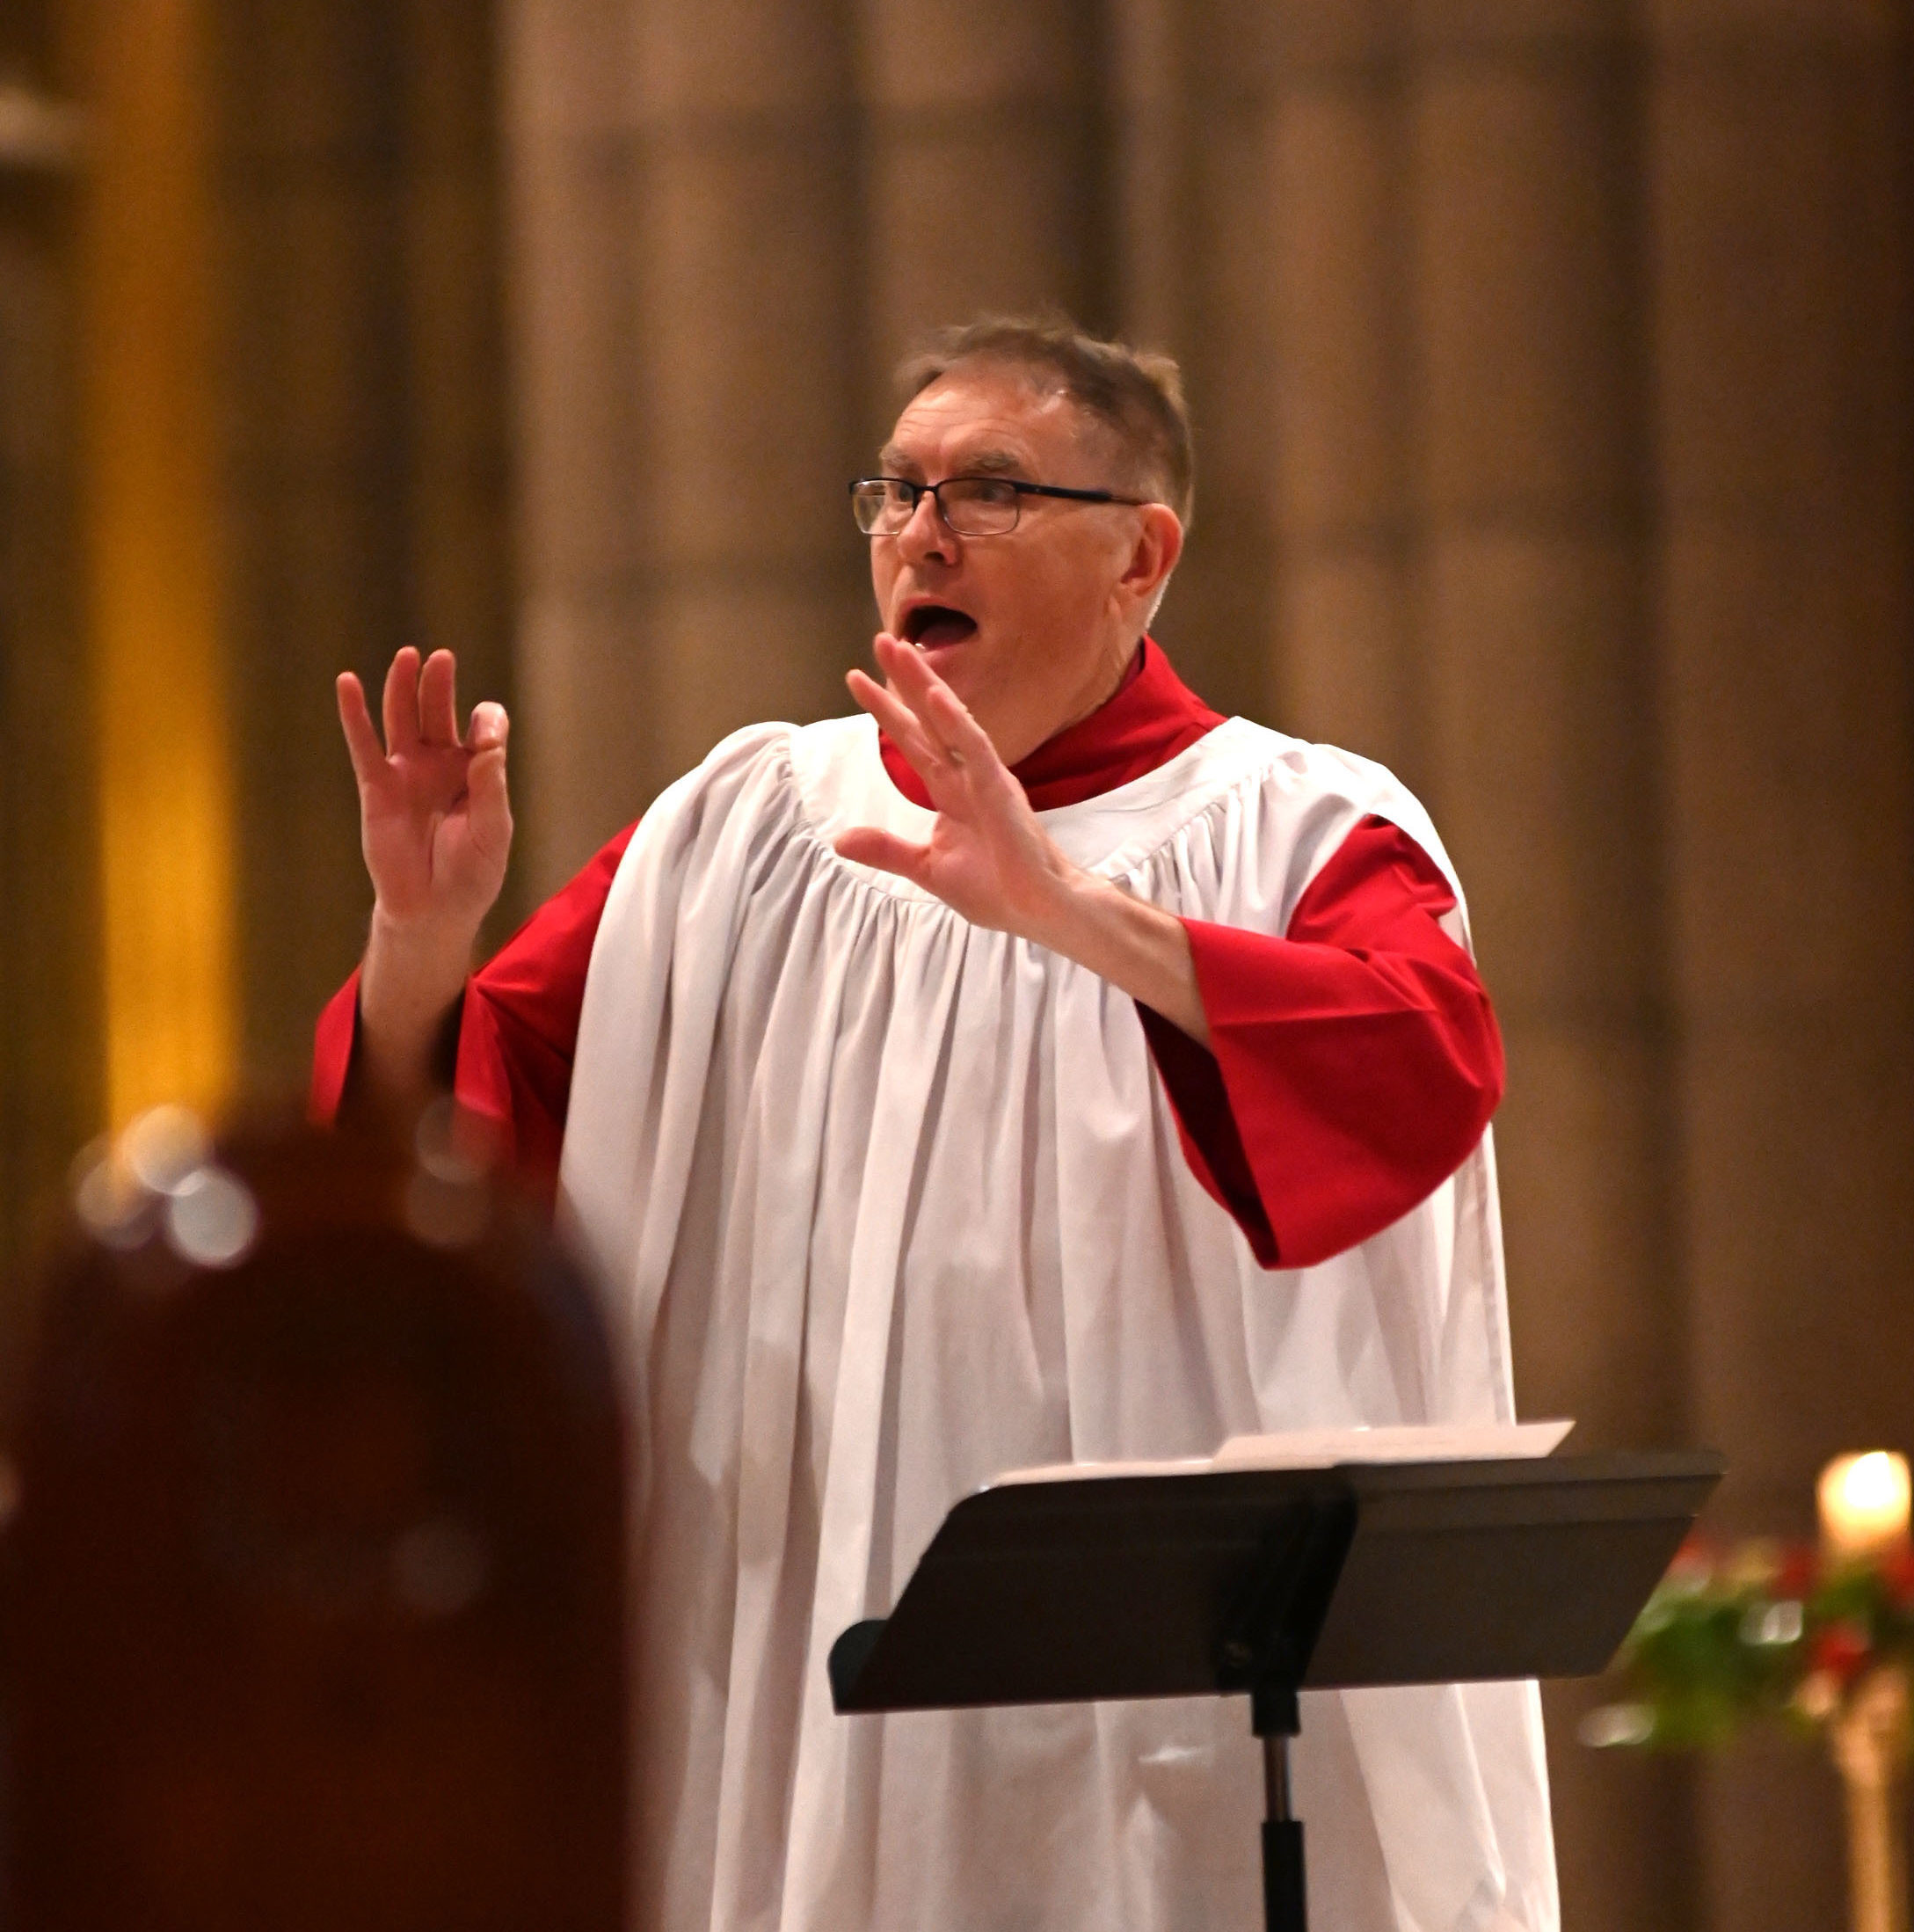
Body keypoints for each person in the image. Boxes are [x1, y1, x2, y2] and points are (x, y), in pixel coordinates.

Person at [316, 317, 1556, 1931]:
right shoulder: (746, 833)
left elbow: (1422, 1066)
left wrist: (1071, 908)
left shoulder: (1297, 828)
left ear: (1143, 557)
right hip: (787, 1670)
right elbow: (457, 1156)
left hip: (1158, 1714)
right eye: (894, 491)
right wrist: (421, 934)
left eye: (989, 489)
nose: (921, 529)